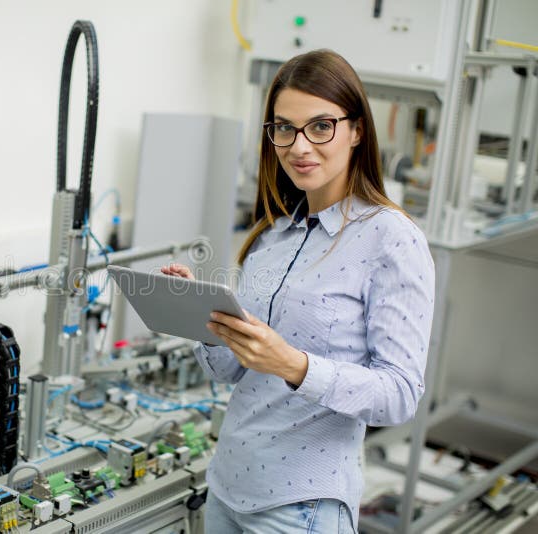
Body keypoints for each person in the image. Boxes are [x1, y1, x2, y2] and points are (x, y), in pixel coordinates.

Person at [161, 49, 435, 533]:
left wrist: (294, 365)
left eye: (321, 126)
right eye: (284, 128)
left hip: (301, 507)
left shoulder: (391, 237)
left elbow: (399, 394)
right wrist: (201, 315)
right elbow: (231, 371)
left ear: (357, 130)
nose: (299, 146)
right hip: (226, 490)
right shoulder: (272, 237)